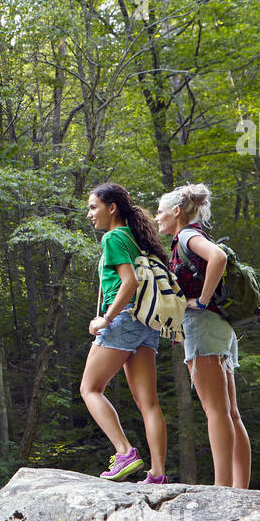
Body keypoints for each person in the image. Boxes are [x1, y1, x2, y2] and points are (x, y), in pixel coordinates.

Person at [155, 183, 252, 489]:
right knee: (230, 413)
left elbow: (218, 258)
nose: (157, 218)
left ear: (176, 211)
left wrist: (203, 299)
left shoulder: (186, 235)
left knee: (216, 411)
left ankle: (222, 488)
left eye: (160, 212)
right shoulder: (189, 235)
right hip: (218, 326)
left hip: (204, 325)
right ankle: (239, 490)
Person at [81, 183, 168, 484]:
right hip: (148, 322)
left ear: (112, 207)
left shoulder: (114, 237)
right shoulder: (137, 239)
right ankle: (157, 474)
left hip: (125, 319)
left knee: (90, 389)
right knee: (149, 403)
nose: (89, 213)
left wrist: (105, 319)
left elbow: (128, 282)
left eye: (93, 207)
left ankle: (124, 452)